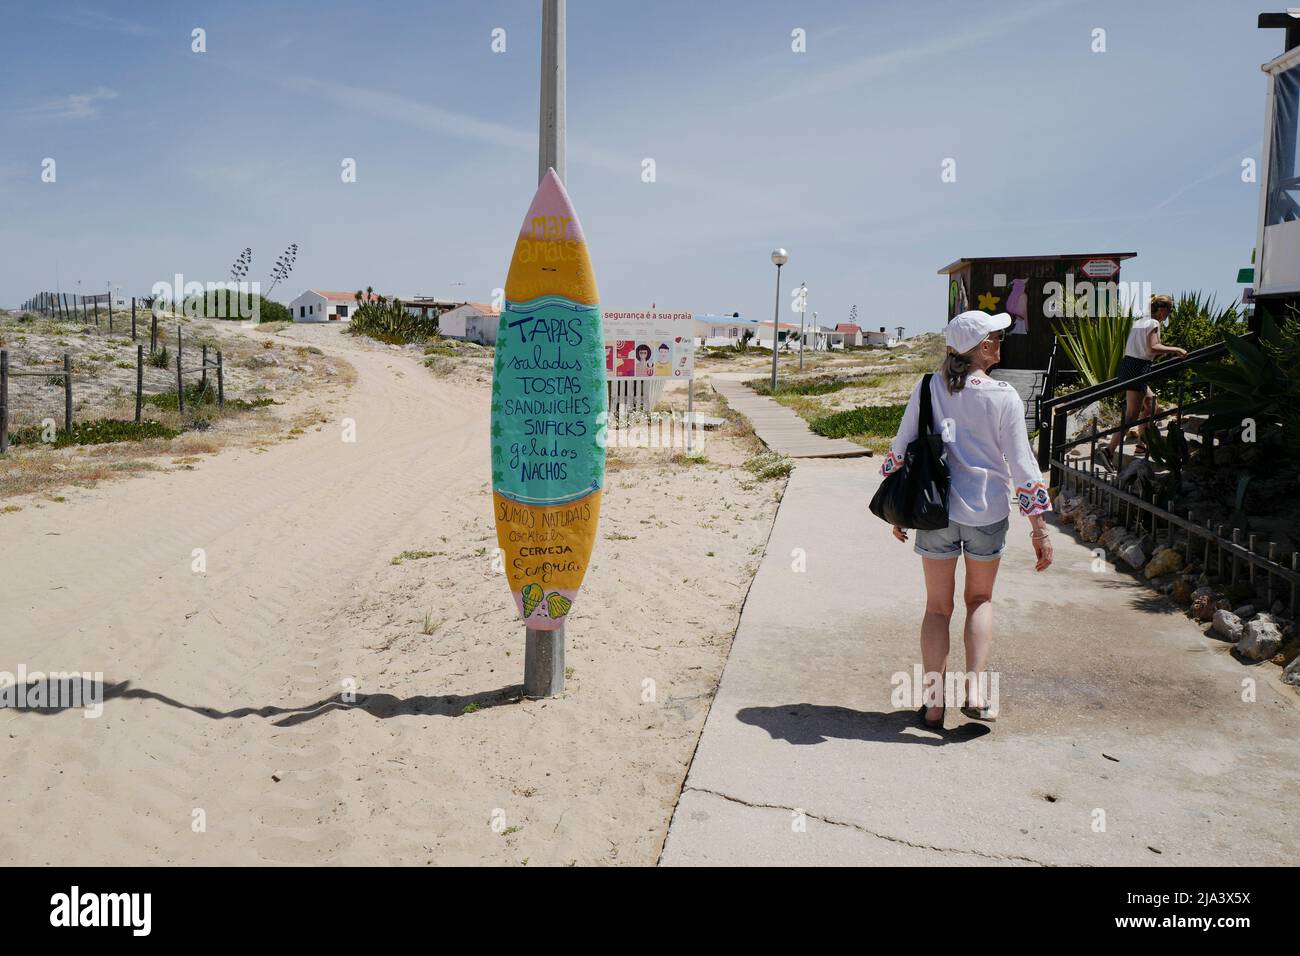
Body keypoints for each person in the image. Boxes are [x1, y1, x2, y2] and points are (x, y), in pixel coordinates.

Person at [883, 310, 1053, 730]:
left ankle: (935, 705)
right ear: (981, 347)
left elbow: (901, 447)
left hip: (935, 512)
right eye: (997, 337)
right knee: (979, 601)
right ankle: (975, 693)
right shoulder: (1004, 396)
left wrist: (898, 510)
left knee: (937, 608)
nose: (1001, 343)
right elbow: (1022, 464)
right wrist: (1039, 527)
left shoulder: (927, 387)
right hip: (987, 512)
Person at [1100, 294, 1186, 467]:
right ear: (1162, 310)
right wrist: (1176, 350)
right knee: (1131, 415)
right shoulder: (1154, 323)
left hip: (1128, 365)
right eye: (1169, 310)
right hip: (1138, 368)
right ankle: (1109, 451)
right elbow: (1153, 347)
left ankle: (1142, 444)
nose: (1169, 314)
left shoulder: (1140, 321)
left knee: (1151, 404)